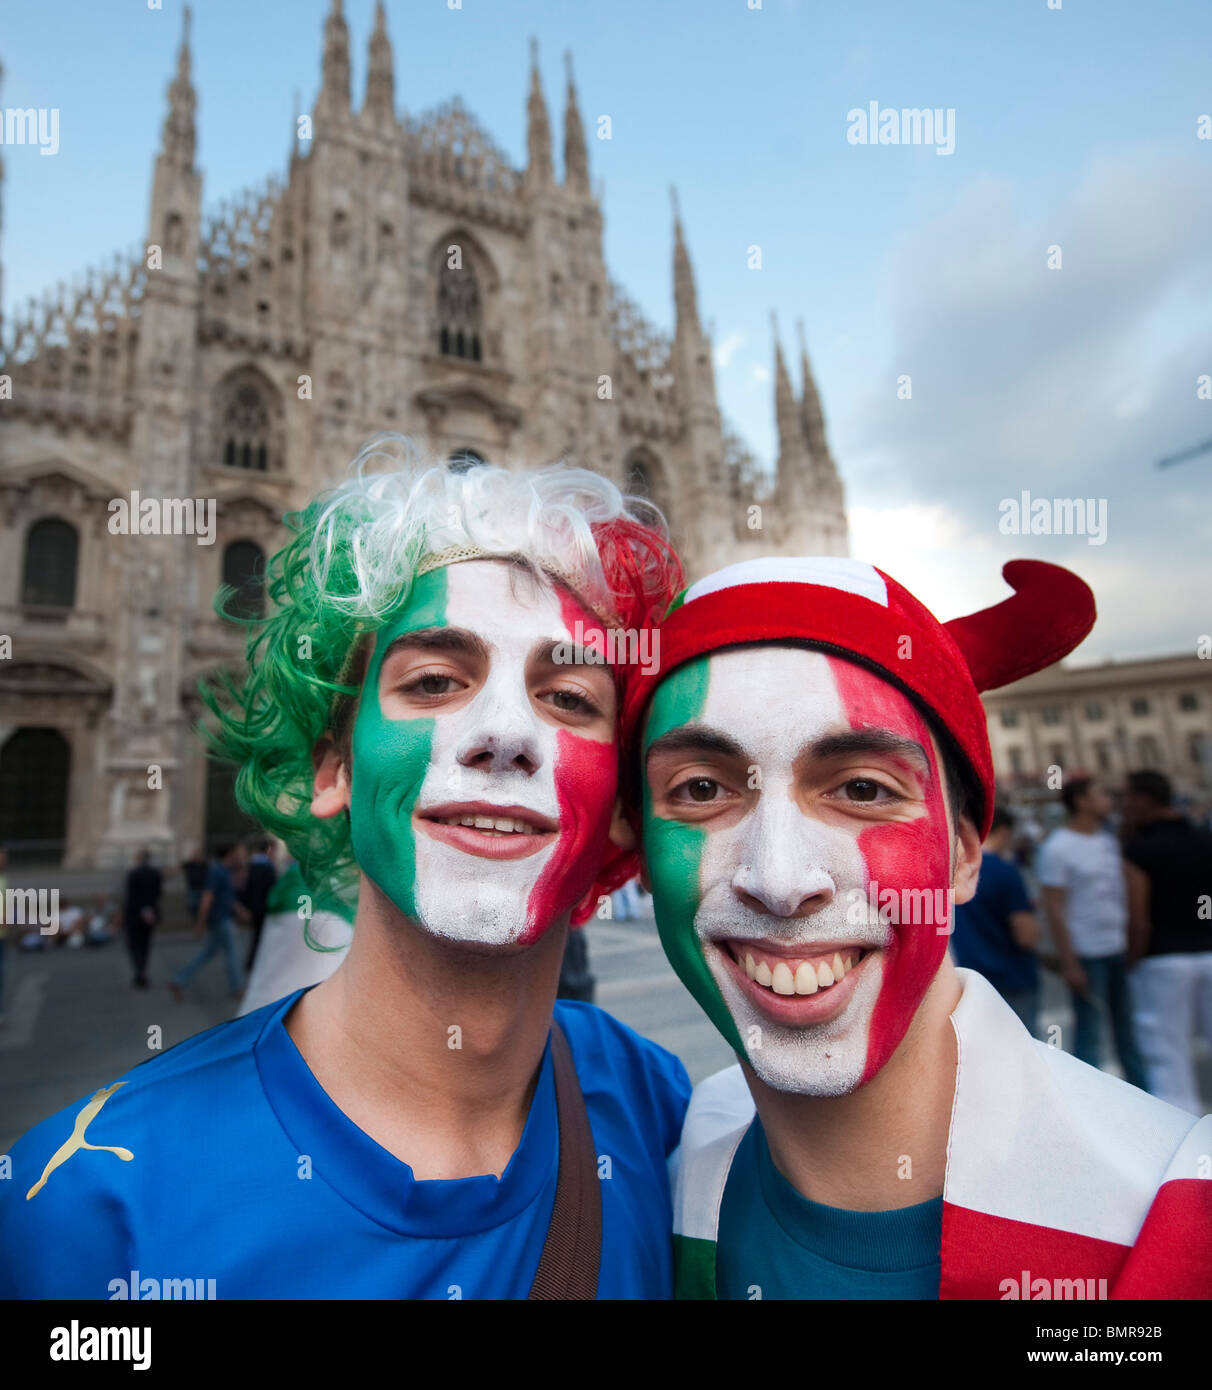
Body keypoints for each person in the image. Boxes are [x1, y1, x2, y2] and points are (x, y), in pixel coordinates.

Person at [0, 446, 690, 1299]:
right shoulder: (89, 1206)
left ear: (625, 799)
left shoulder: (658, 1112)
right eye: (436, 680)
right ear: (333, 769)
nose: (506, 732)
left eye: (569, 697)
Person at [622, 555, 1212, 1299]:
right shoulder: (674, 1165)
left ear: (965, 855)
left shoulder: (1181, 1214)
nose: (778, 879)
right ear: (637, 850)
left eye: (863, 788)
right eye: (701, 788)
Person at [1037, 777, 1147, 1087]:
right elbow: (1054, 908)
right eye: (1101, 793)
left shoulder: (1108, 841)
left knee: (1127, 1031)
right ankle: (1089, 1101)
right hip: (1086, 954)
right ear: (1081, 801)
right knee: (1090, 1034)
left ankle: (1146, 1099)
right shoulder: (1058, 848)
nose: (1108, 800)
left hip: (1117, 949)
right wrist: (1069, 961)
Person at [1122, 770, 1212, 1116]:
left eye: (1128, 797)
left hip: (1163, 959)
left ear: (1144, 799)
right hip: (1207, 951)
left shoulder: (1139, 848)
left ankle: (1182, 1149)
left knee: (1169, 1058)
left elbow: (1139, 915)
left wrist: (1133, 958)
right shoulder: (1203, 838)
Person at [949, 805, 1041, 1036]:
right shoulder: (1006, 872)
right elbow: (1026, 936)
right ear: (1004, 832)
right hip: (1013, 979)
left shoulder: (950, 871)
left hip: (970, 984)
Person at [168, 843, 246, 1002]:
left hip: (222, 918)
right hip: (221, 920)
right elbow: (207, 897)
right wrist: (200, 923)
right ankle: (237, 988)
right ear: (230, 854)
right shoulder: (217, 872)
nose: (240, 856)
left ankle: (178, 980)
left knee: (207, 953)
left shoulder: (222, 871)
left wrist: (240, 911)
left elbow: (227, 897)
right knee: (232, 953)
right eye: (238, 852)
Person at [121, 848, 162, 988]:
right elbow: (158, 893)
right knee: (145, 944)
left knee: (133, 944)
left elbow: (130, 896)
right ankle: (142, 970)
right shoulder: (156, 873)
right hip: (150, 911)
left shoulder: (134, 874)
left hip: (134, 913)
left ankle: (139, 971)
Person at [240, 838, 279, 973]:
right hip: (264, 907)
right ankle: (256, 963)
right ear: (269, 850)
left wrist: (246, 906)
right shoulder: (268, 867)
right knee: (261, 937)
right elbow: (273, 889)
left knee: (256, 935)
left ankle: (252, 962)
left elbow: (247, 887)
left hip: (254, 906)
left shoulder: (252, 865)